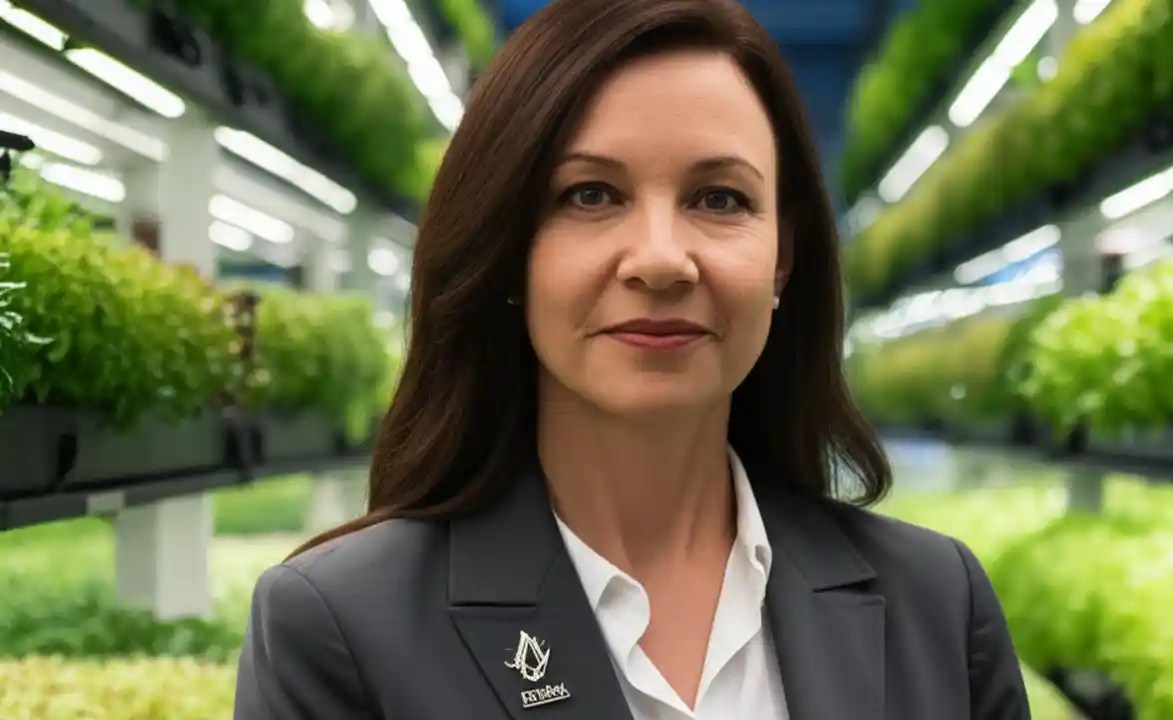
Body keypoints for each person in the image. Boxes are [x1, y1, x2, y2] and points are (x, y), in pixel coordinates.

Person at [233, 0, 1031, 717]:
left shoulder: (937, 604)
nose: (659, 261)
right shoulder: (339, 628)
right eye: (590, 195)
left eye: (719, 199)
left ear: (782, 260)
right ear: (506, 250)